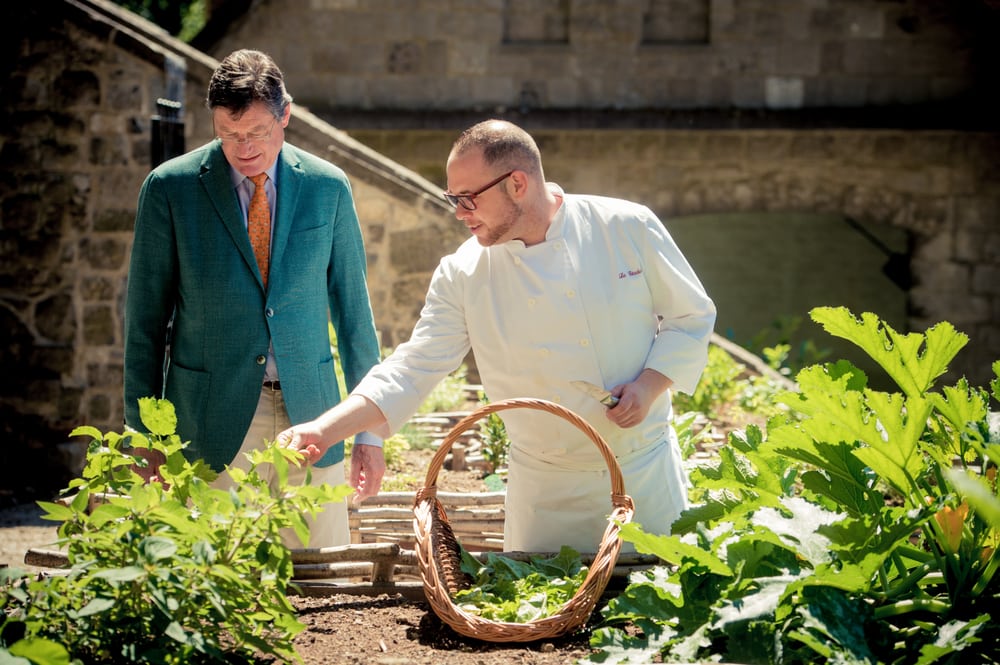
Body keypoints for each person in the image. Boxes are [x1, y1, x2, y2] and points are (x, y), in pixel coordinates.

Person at [278, 119, 717, 552]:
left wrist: (649, 385)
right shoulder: (463, 272)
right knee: (540, 615)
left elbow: (691, 315)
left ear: (518, 184)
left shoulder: (626, 226)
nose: (458, 212)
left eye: (468, 198)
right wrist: (323, 429)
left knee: (661, 611)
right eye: (452, 198)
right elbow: (412, 368)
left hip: (642, 473)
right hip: (545, 491)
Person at [123, 49, 384, 549]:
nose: (243, 148)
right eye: (229, 134)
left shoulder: (328, 187)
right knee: (215, 581)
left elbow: (354, 317)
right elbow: (145, 326)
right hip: (208, 419)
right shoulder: (170, 189)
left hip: (314, 416)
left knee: (321, 575)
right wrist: (143, 438)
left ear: (285, 114)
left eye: (257, 132)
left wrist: (369, 433)